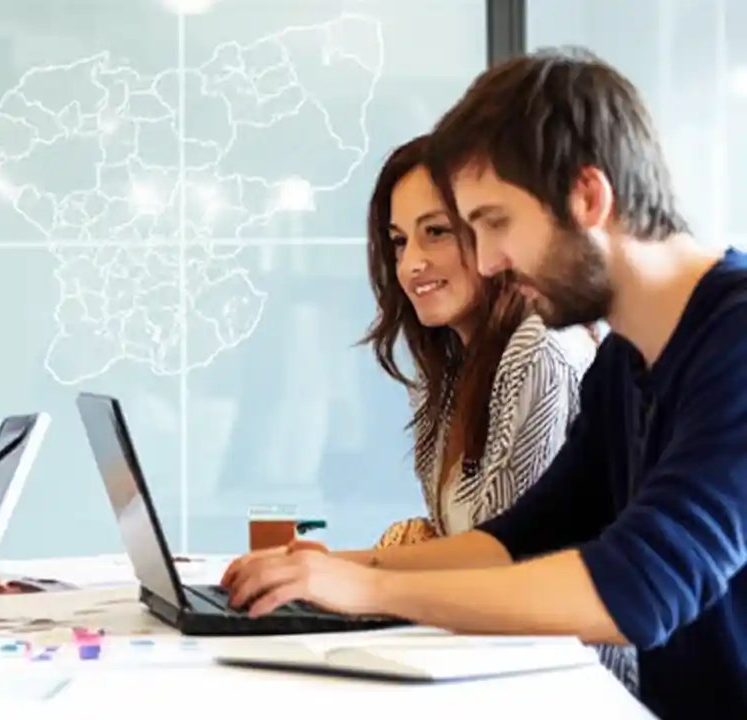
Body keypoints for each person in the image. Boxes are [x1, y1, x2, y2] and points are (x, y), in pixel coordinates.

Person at [221, 47, 747, 718]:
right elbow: (516, 540)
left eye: (496, 223)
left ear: (588, 197)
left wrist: (369, 592)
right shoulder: (626, 359)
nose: (490, 260)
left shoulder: (735, 339)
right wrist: (331, 571)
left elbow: (640, 592)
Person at [359, 135, 634, 689]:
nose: (411, 264)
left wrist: (359, 577)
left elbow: (516, 560)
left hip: (566, 674)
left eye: (437, 232)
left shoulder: (538, 348)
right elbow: (472, 541)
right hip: (490, 657)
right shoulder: (452, 367)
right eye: (399, 242)